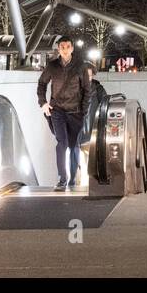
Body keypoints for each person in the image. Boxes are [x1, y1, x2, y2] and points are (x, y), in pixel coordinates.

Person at [37, 35, 92, 192]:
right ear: (58, 49)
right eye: (62, 47)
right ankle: (62, 179)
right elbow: (42, 84)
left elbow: (87, 90)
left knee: (73, 144)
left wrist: (84, 111)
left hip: (75, 112)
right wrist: (43, 103)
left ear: (72, 48)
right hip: (58, 111)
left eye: (68, 47)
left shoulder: (81, 66)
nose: (65, 50)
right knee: (62, 144)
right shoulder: (53, 66)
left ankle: (72, 178)